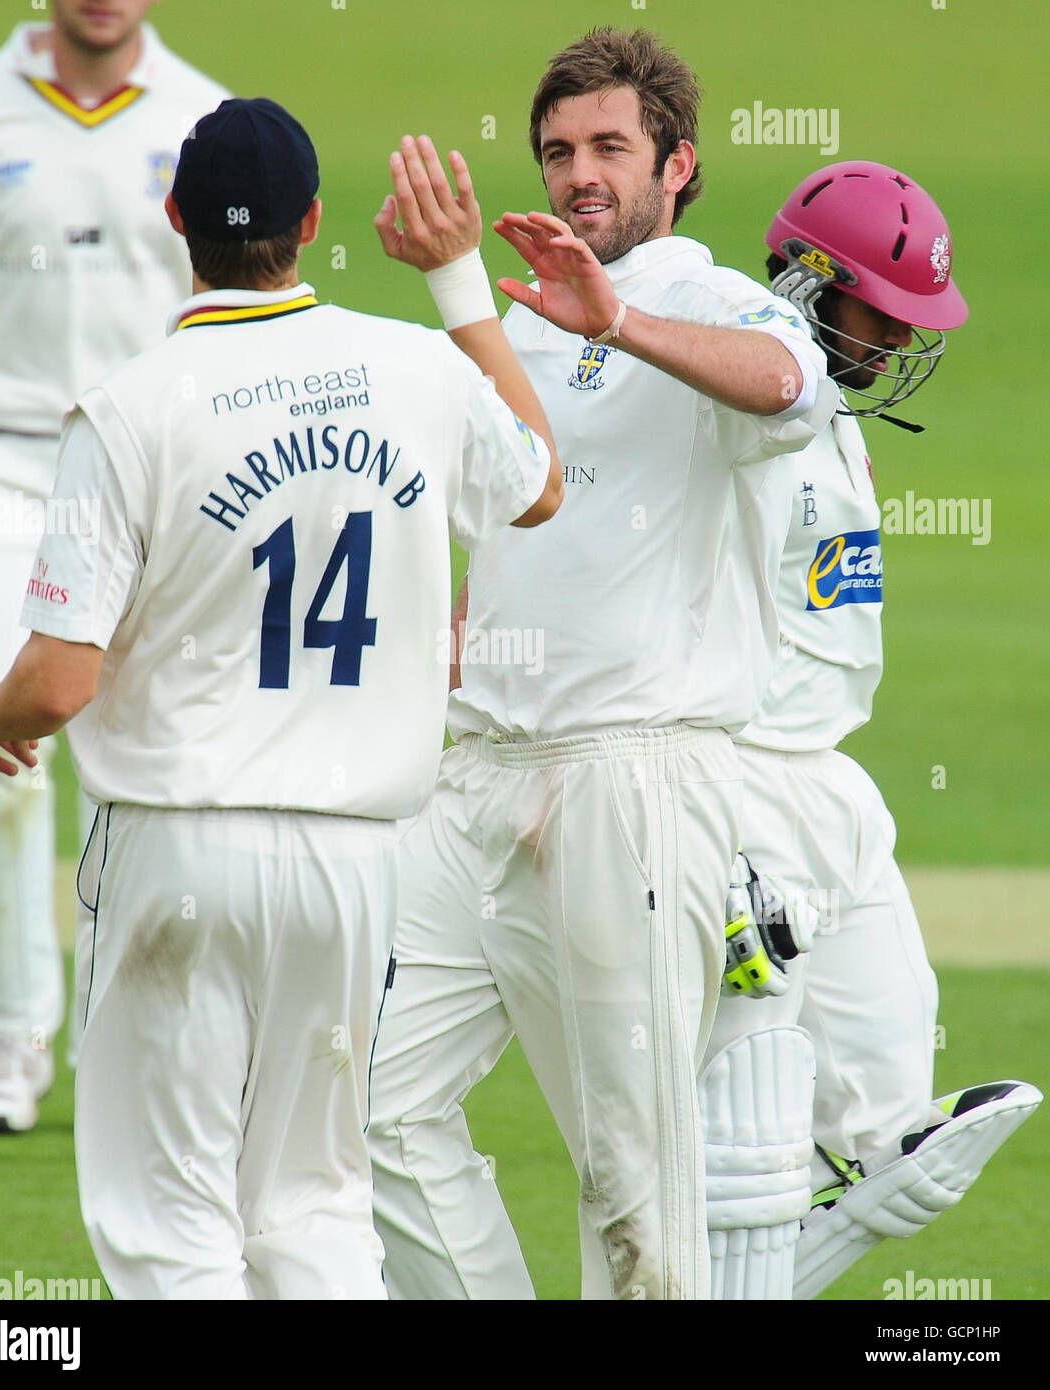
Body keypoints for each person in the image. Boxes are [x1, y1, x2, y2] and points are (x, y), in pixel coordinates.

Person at [0, 99, 561, 1299]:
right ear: (312, 222)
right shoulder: (411, 369)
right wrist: (459, 290)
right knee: (315, 1207)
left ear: (174, 219)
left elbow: (60, 678)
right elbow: (537, 484)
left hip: (179, 853)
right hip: (355, 868)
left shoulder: (129, 407)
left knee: (170, 1223)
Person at [366, 27, 837, 1301]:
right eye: (558, 149)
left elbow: (793, 383)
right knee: (364, 1109)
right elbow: (519, 501)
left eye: (608, 148)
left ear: (675, 165)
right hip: (475, 781)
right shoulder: (528, 308)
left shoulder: (703, 292)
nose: (579, 172)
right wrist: (463, 282)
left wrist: (616, 316)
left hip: (634, 782)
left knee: (630, 1173)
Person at [698, 159, 1042, 1300]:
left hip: (833, 790)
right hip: (732, 789)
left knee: (917, 1145)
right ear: (804, 284)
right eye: (879, 315)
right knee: (741, 1151)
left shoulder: (831, 415)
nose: (896, 343)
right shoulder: (739, 416)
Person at [0, 0, 228, 1133]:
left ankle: (163, 1034)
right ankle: (8, 1042)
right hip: (3, 462)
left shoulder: (201, 116)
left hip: (158, 465)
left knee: (170, 743)